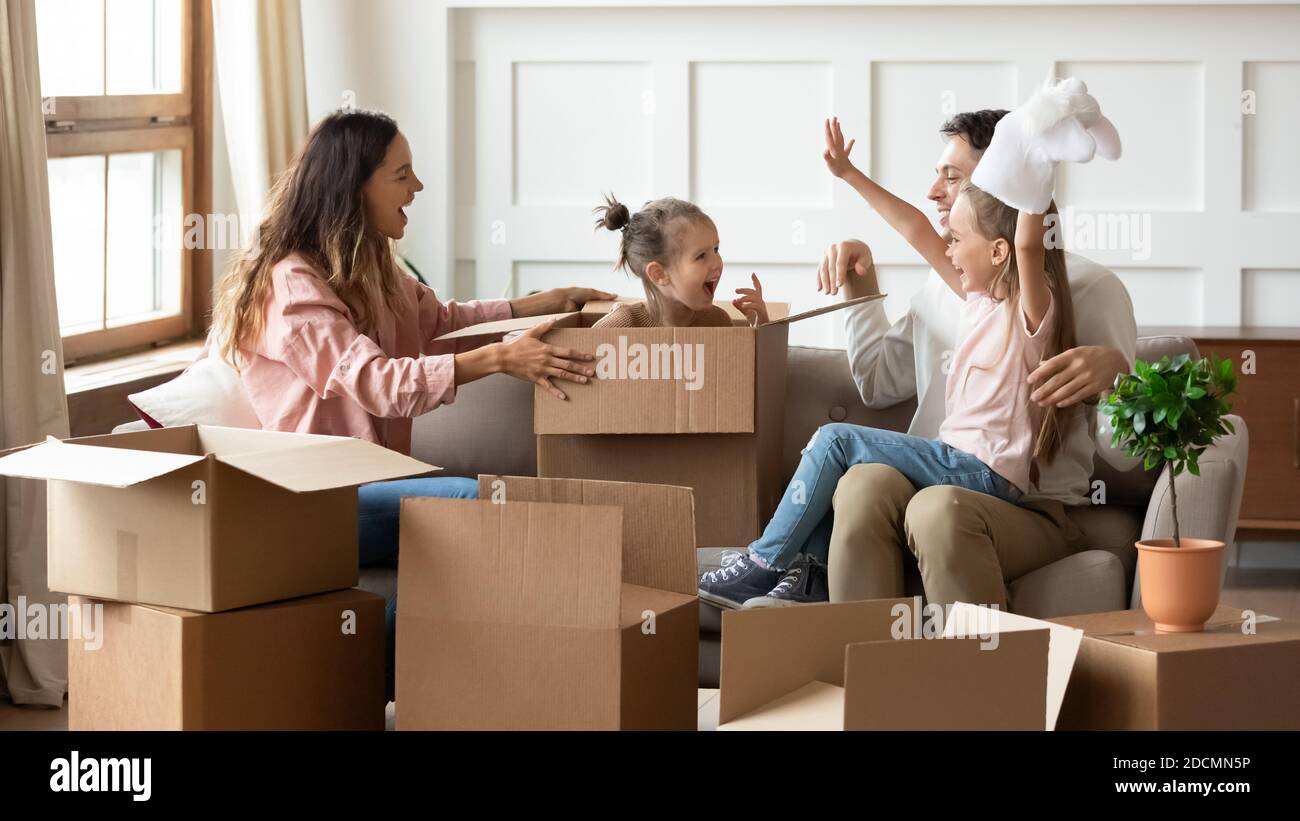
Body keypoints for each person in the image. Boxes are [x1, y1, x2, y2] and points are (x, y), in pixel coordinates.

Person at [209, 108, 614, 699]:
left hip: (369, 483)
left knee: (479, 520)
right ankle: (367, 686)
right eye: (403, 174)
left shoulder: (369, 263)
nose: (417, 188)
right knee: (479, 505)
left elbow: (440, 322)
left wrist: (538, 304)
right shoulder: (291, 285)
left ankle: (385, 686)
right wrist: (500, 359)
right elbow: (375, 381)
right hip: (313, 501)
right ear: (356, 185)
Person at [591, 194, 769, 328]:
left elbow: (743, 374)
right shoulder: (623, 325)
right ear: (659, 274)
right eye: (701, 256)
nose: (717, 263)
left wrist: (760, 328)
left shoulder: (717, 322)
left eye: (716, 249)